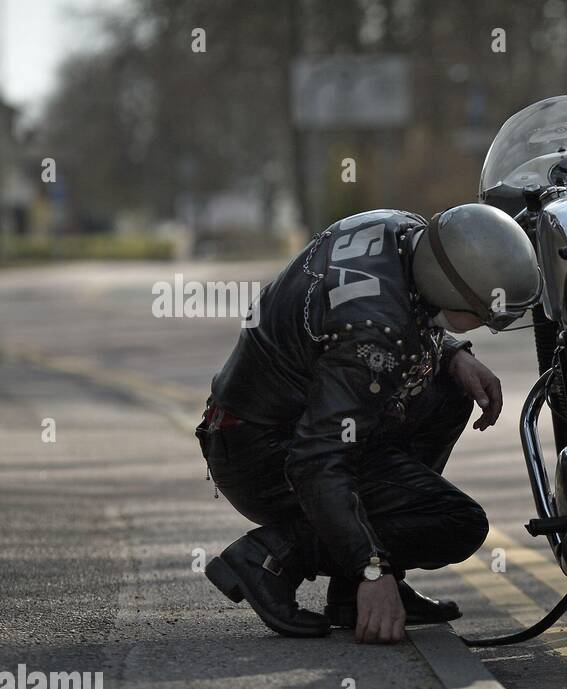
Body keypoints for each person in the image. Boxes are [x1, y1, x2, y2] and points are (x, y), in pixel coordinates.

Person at [198, 205, 540, 645]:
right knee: (457, 523)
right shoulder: (374, 337)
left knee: (449, 391)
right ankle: (272, 556)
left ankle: (347, 592)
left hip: (261, 422)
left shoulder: (402, 226)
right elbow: (316, 458)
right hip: (265, 457)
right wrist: (371, 568)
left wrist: (454, 353)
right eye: (487, 312)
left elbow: (388, 306)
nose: (494, 322)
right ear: (446, 286)